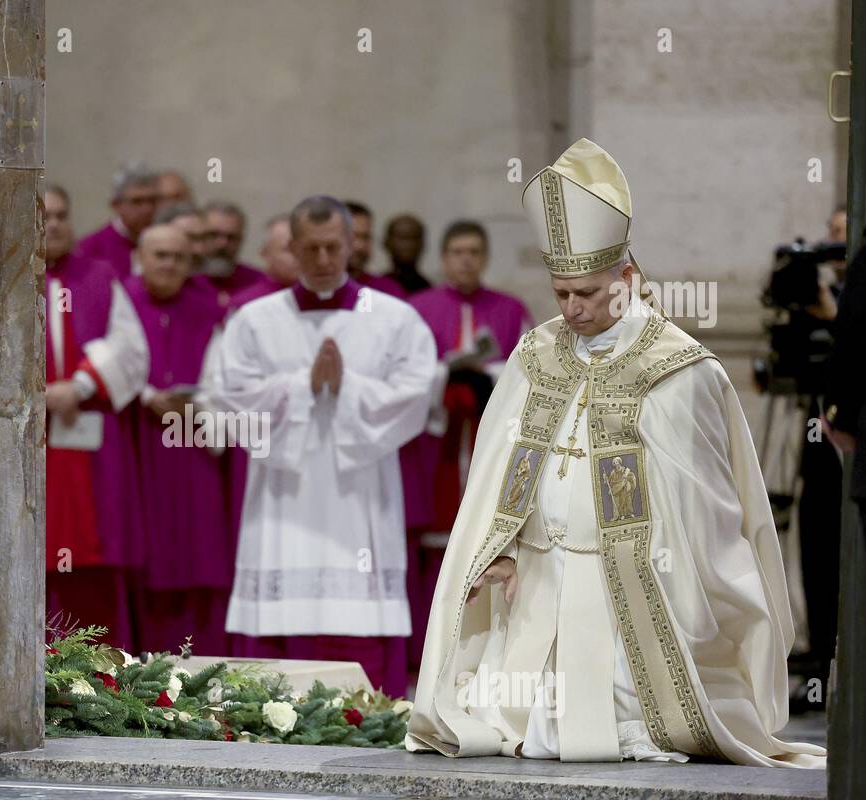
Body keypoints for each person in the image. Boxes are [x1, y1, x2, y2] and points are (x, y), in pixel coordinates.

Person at [406, 138, 825, 767]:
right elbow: (502, 471)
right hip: (541, 576)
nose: (572, 308)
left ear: (627, 278)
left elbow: (707, 503)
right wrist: (503, 547)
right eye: (561, 292)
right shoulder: (535, 354)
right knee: (518, 720)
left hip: (634, 581)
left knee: (627, 722)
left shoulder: (678, 369)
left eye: (589, 293)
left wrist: (671, 565)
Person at [210, 196, 440, 694]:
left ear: (352, 244)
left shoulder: (395, 317)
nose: (321, 259)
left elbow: (417, 395)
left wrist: (348, 386)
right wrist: (303, 386)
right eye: (309, 248)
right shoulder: (253, 319)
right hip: (281, 500)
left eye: (332, 247)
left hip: (360, 493)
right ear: (291, 247)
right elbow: (229, 400)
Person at [402, 221, 532, 664]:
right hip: (434, 445)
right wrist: (444, 375)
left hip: (487, 437)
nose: (466, 260)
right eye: (457, 251)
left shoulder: (511, 309)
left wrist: (487, 376)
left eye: (475, 251)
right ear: (442, 258)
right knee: (434, 542)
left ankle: (479, 650)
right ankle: (427, 649)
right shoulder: (417, 309)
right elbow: (403, 375)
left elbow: (530, 373)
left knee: (482, 532)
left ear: (485, 257)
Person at [44, 186, 150, 651]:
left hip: (89, 439)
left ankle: (102, 672)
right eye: (43, 217)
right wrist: (36, 396)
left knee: (93, 558)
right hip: (28, 441)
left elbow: (131, 349)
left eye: (62, 215)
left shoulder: (98, 275)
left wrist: (81, 385)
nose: (54, 224)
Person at [126, 224, 232, 655]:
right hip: (139, 442)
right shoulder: (121, 302)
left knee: (198, 547)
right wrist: (149, 396)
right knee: (146, 549)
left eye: (179, 257)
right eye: (160, 255)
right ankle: (141, 663)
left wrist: (198, 406)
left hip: (193, 442)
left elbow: (225, 376)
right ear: (141, 257)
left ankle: (202, 661)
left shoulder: (209, 307)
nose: (169, 265)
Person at [76, 163, 159, 279]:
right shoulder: (90, 249)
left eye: (152, 200)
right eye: (137, 201)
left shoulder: (168, 243)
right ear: (116, 204)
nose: (147, 209)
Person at [225, 214, 299, 312]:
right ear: (265, 253)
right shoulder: (247, 304)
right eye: (289, 249)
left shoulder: (319, 297)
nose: (299, 256)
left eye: (304, 249)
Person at [203, 201, 265, 310]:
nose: (222, 244)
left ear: (241, 240)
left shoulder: (258, 283)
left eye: (231, 237)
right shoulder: (181, 280)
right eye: (213, 235)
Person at [343, 201, 406, 299]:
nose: (360, 246)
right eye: (352, 237)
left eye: (365, 237)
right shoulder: (317, 289)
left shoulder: (388, 290)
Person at [382, 214, 432, 294]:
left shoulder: (428, 290)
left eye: (414, 238)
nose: (408, 245)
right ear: (386, 243)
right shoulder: (376, 288)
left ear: (422, 244)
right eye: (401, 238)